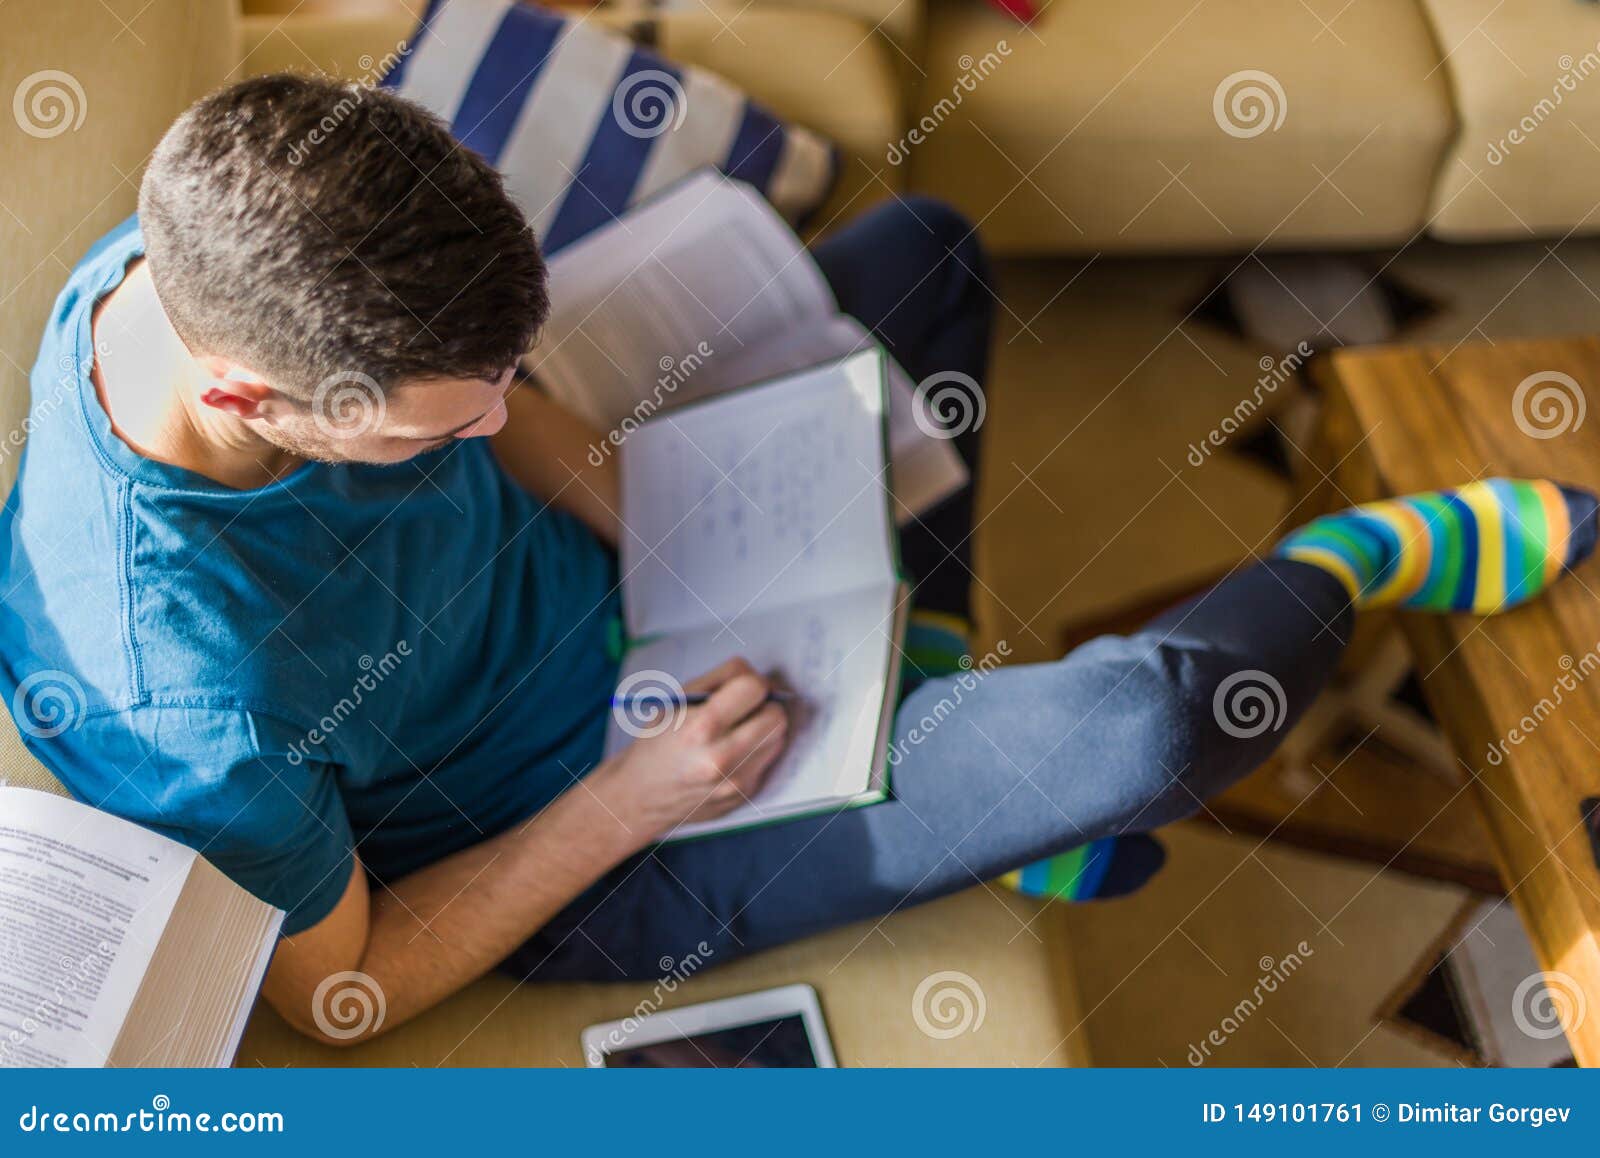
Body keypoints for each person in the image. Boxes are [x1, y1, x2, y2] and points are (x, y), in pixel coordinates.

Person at [2, 74, 1593, 1045]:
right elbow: (344, 991)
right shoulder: (184, 699)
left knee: (931, 255)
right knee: (1157, 726)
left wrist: (652, 500)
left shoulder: (192, 240)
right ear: (247, 398)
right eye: (440, 422)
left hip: (653, 597)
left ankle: (928, 692)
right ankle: (1367, 556)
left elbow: (517, 416)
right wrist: (640, 796)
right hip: (592, 814)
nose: (501, 424)